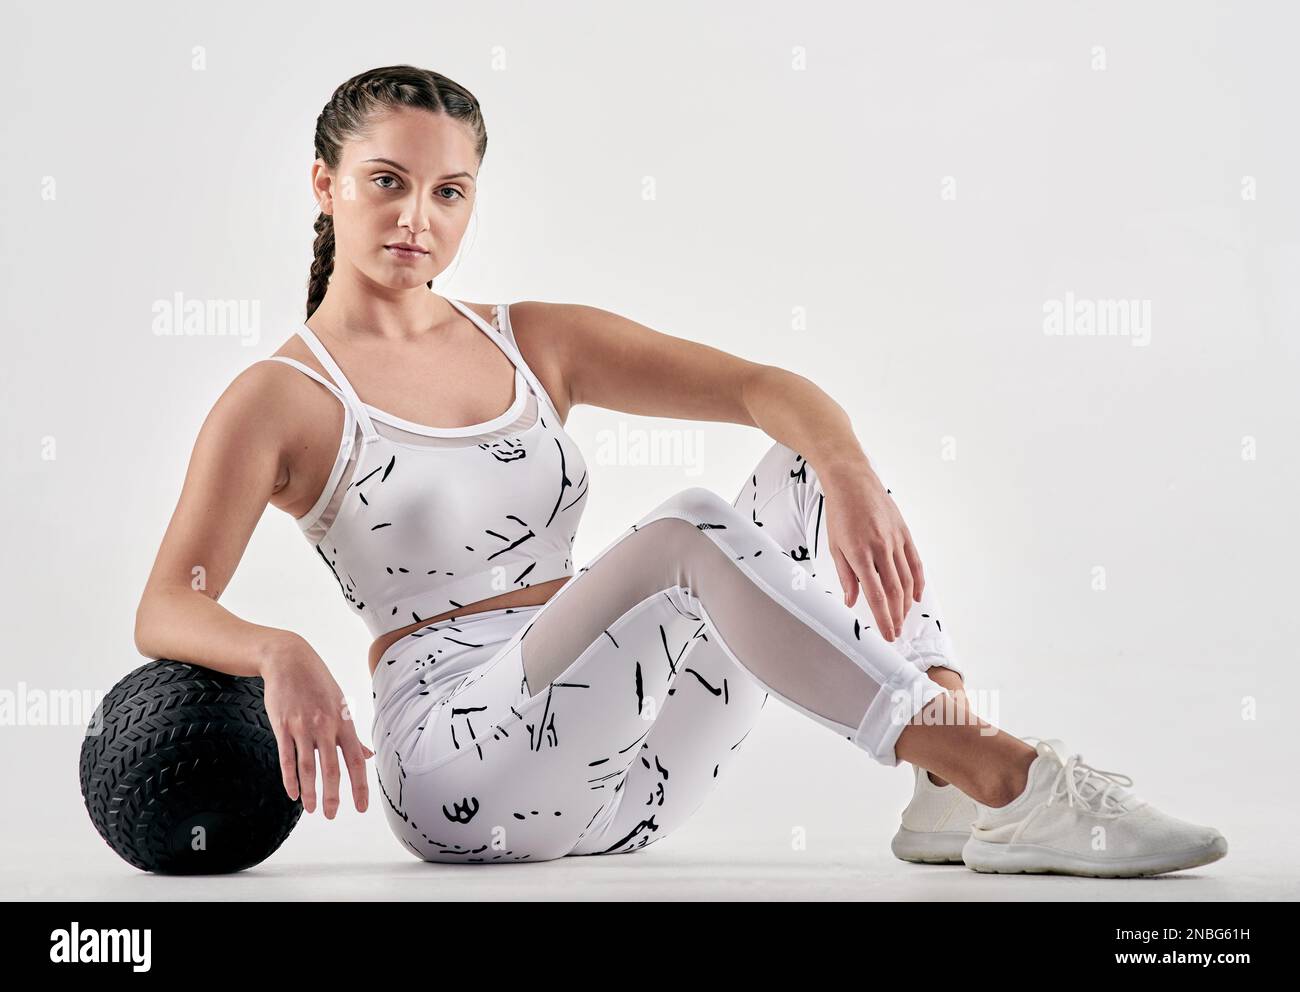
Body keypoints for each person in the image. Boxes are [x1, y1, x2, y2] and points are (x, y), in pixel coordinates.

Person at [134, 64, 1227, 876]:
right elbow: (164, 604)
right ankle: (1008, 773)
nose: (418, 219)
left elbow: (765, 384)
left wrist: (841, 465)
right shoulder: (282, 396)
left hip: (632, 770)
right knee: (684, 529)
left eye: (450, 192)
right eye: (387, 181)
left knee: (804, 462)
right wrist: (275, 646)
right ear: (324, 184)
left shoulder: (530, 338)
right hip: (463, 764)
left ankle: (940, 783)